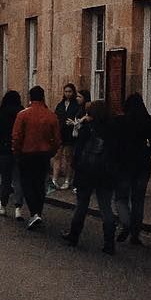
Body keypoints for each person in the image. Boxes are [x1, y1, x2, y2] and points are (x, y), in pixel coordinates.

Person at [63, 101, 118, 253]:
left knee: (81, 205)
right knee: (106, 207)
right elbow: (115, 154)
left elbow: (78, 151)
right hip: (105, 173)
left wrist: (75, 167)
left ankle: (74, 236)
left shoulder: (87, 129)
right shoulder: (113, 130)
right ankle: (109, 243)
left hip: (86, 172)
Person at [110, 92, 151, 244]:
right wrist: (145, 152)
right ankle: (135, 234)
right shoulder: (147, 121)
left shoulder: (119, 121)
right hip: (142, 165)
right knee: (138, 200)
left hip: (124, 165)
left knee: (121, 198)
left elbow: (113, 144)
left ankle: (126, 223)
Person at [11, 85, 61, 230]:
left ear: (30, 97)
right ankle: (38, 212)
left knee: (27, 184)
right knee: (40, 184)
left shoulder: (23, 115)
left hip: (27, 153)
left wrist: (17, 152)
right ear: (43, 97)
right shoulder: (51, 115)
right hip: (43, 154)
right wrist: (51, 152)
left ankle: (34, 213)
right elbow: (57, 139)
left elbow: (16, 136)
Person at [0, 90, 25, 218]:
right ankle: (18, 208)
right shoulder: (22, 113)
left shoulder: (2, 114)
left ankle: (3, 205)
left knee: (5, 180)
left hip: (4, 151)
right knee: (18, 179)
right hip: (19, 151)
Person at [53, 83, 86, 190]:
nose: (67, 94)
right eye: (66, 91)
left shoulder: (76, 105)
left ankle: (68, 180)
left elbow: (78, 117)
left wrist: (73, 123)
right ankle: (54, 179)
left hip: (70, 134)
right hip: (60, 133)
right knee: (57, 156)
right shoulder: (60, 105)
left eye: (70, 91)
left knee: (68, 157)